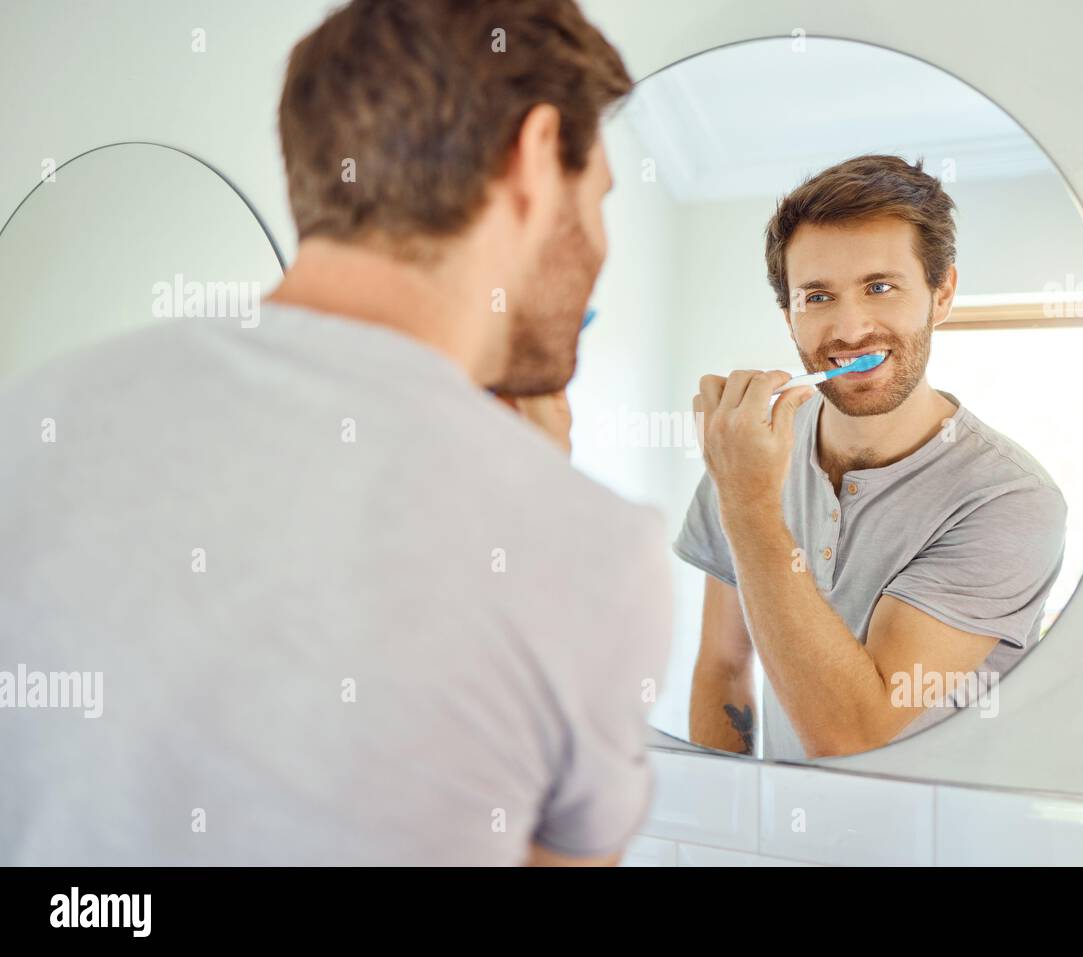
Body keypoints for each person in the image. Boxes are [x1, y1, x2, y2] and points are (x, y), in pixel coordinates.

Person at [0, 0, 668, 866]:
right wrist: (535, 498)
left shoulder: (32, 418)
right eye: (602, 195)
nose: (602, 242)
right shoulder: (595, 549)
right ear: (537, 155)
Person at [676, 155, 1068, 761]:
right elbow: (724, 667)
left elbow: (851, 734)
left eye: (880, 287)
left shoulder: (1010, 501)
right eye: (818, 296)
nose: (850, 328)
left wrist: (750, 506)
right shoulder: (746, 453)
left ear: (942, 295)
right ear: (789, 317)